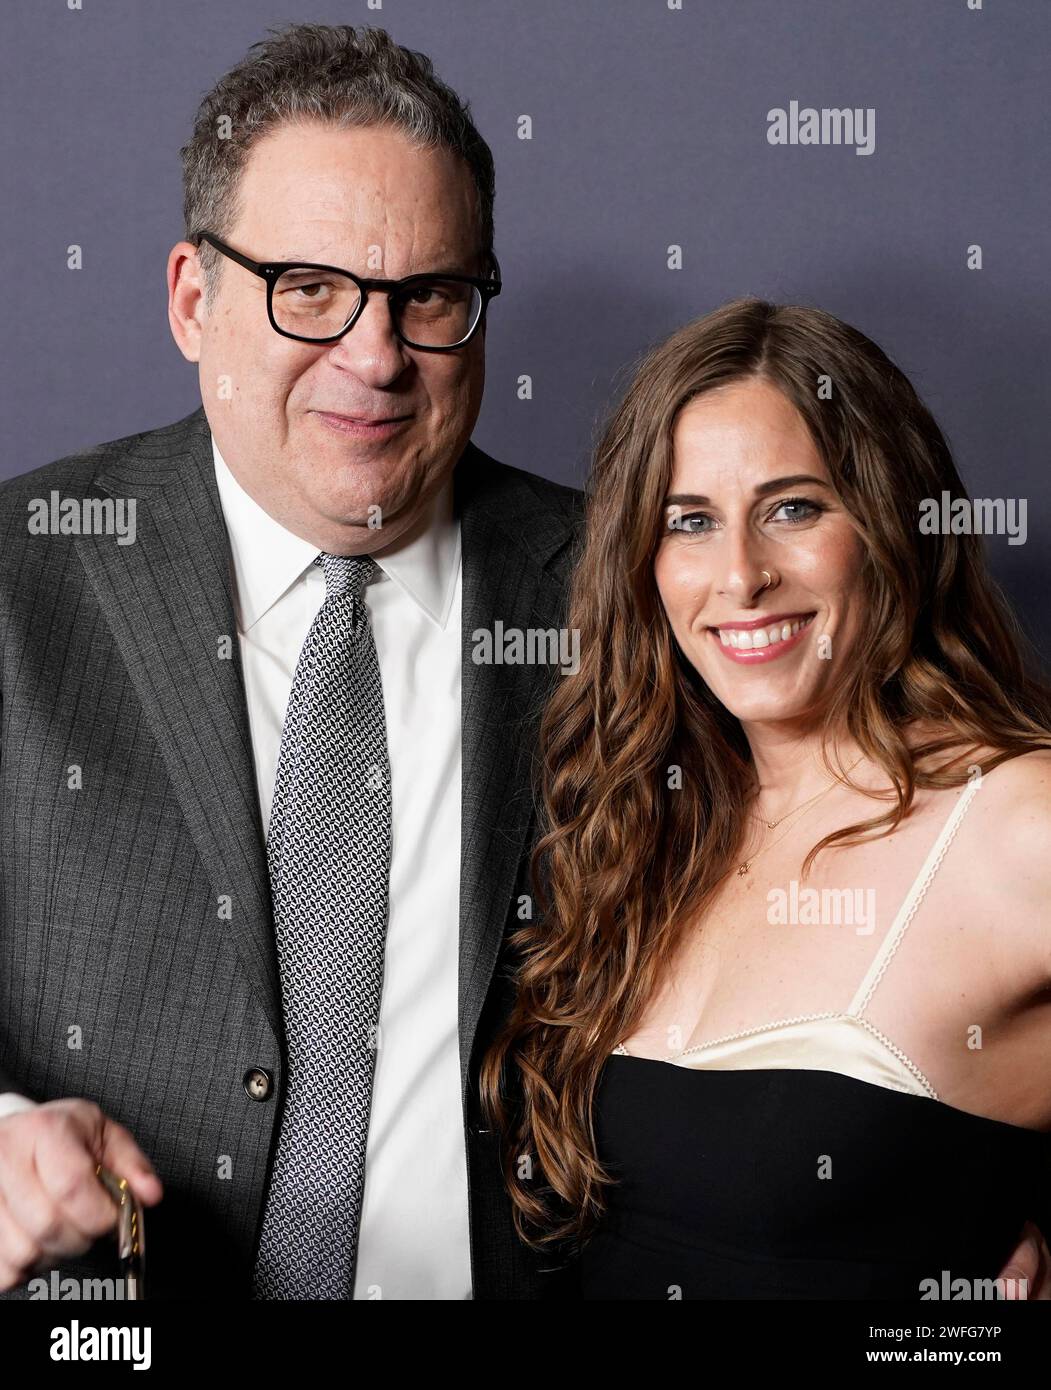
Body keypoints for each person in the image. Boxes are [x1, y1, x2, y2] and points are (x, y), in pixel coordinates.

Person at [0, 23, 582, 1300]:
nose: (375, 357)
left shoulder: (626, 596)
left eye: (429, 295)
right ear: (192, 301)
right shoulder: (17, 575)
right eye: (307, 287)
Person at [483, 298, 1051, 1298]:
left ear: (888, 522)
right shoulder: (645, 830)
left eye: (793, 508)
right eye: (690, 522)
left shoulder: (1014, 822)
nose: (740, 575)